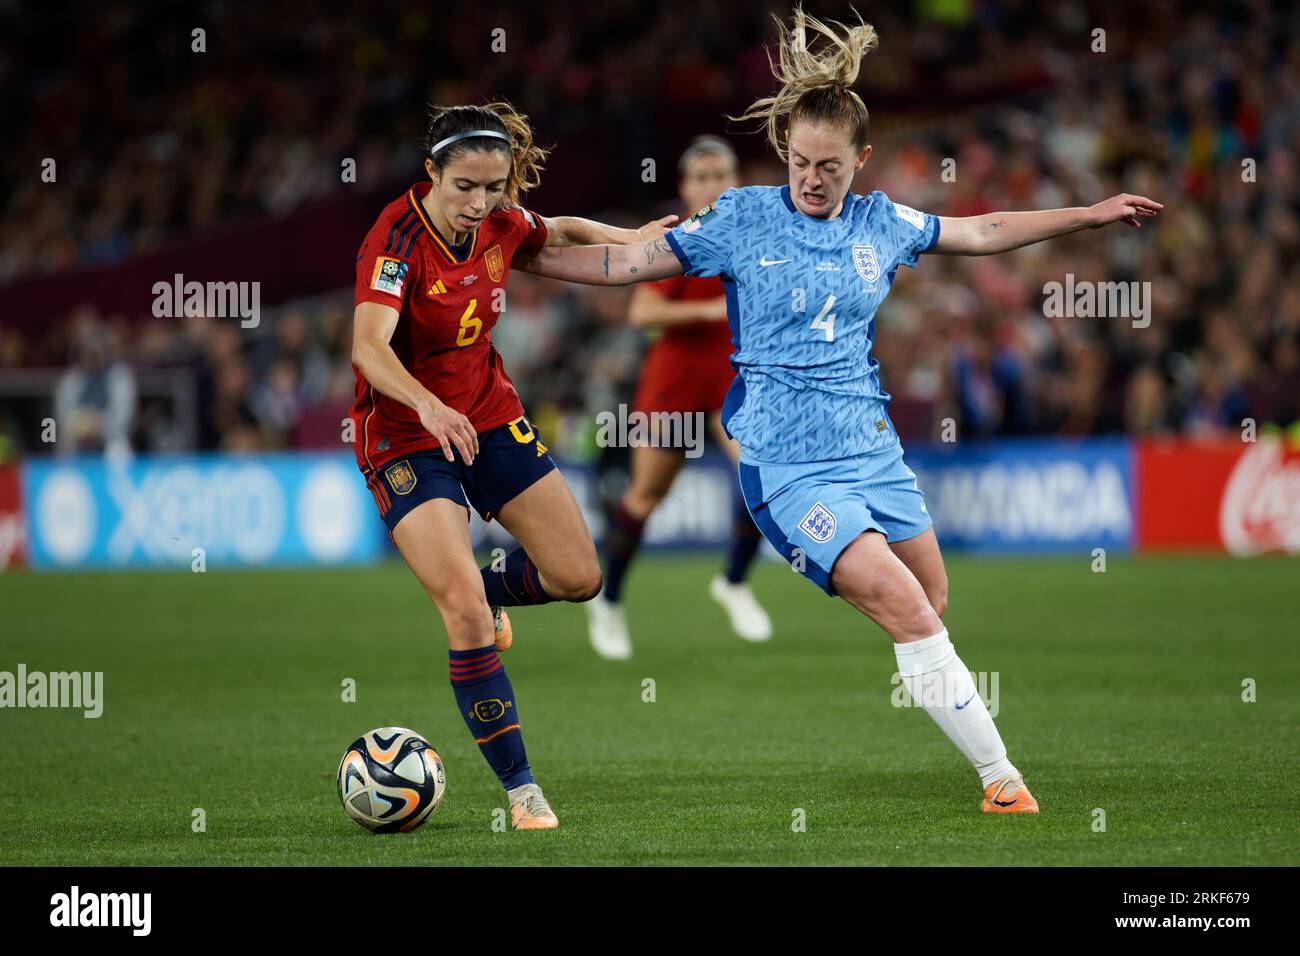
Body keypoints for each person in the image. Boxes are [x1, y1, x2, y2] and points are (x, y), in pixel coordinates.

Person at [514, 7, 1163, 813]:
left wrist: (1089, 214)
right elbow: (622, 265)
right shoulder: (742, 218)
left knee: (931, 599)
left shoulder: (883, 222)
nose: (811, 179)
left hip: (872, 451)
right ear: (783, 152)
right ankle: (1003, 781)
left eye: (828, 165)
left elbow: (985, 229)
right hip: (787, 468)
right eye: (798, 162)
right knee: (906, 609)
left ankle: (935, 690)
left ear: (861, 158)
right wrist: (521, 255)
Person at [350, 101, 674, 830]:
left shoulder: (498, 221)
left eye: (494, 186)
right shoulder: (395, 239)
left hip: (489, 415)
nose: (480, 203)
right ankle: (522, 790)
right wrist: (427, 407)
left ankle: (485, 589)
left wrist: (635, 239)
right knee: (462, 614)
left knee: (579, 577)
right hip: (405, 434)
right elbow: (368, 348)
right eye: (465, 185)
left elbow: (559, 234)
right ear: (431, 173)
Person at [587, 136, 773, 660]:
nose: (712, 185)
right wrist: (708, 314)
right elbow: (642, 314)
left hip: (732, 376)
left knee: (761, 475)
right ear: (685, 188)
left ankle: (733, 582)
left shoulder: (753, 234)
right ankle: (610, 599)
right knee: (646, 497)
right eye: (702, 177)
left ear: (736, 181)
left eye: (721, 175)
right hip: (675, 382)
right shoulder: (678, 237)